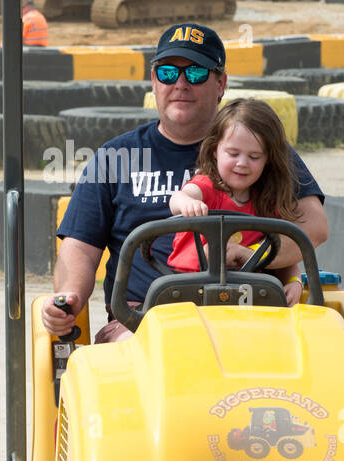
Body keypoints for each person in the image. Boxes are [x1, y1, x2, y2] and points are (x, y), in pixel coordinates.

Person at [43, 22, 328, 344]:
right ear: (154, 81)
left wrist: (246, 256)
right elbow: (80, 245)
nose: (180, 84)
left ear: (220, 83)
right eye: (167, 73)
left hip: (250, 310)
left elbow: (313, 227)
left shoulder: (257, 150)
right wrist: (69, 297)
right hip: (143, 319)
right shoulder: (115, 156)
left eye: (195, 74)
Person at [167, 98, 307, 307]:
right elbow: (178, 198)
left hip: (247, 297)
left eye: (254, 156)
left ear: (268, 159)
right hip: (187, 292)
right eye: (233, 153)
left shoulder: (267, 204)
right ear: (215, 150)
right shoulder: (207, 187)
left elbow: (284, 257)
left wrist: (294, 281)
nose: (242, 163)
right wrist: (187, 203)